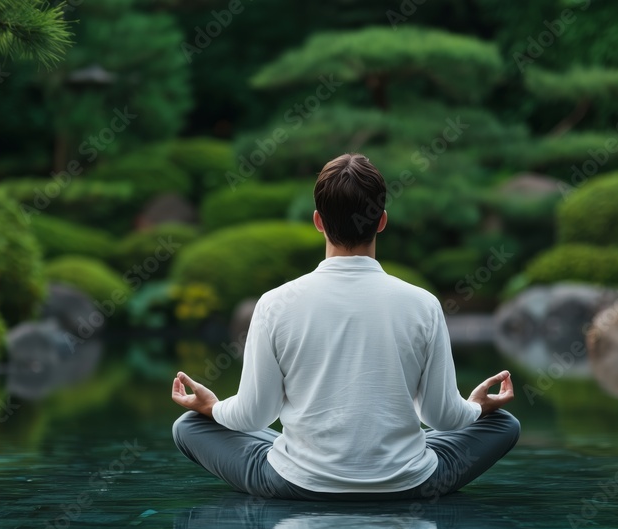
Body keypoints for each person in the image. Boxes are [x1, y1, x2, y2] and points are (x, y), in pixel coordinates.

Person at [171, 153, 519, 501]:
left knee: (190, 426)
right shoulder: (423, 304)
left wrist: (213, 407)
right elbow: (442, 417)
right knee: (504, 424)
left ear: (318, 221)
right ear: (381, 221)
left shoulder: (274, 304)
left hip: (297, 484)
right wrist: (476, 407)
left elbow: (253, 416)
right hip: (409, 484)